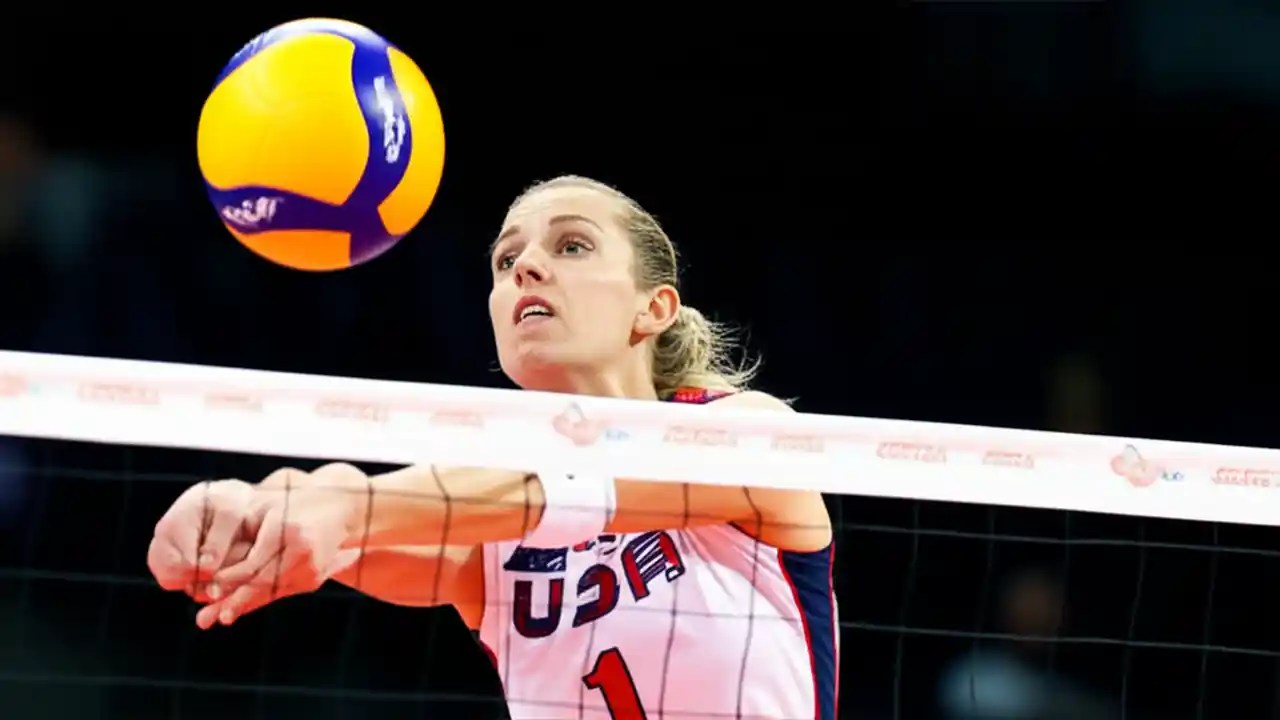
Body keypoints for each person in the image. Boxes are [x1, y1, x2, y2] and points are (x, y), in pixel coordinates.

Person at [147, 175, 839, 719]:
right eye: (506, 259)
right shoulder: (485, 543)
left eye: (570, 246)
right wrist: (244, 508)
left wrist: (339, 503)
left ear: (653, 308)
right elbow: (358, 522)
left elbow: (556, 487)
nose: (526, 268)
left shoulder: (748, 431)